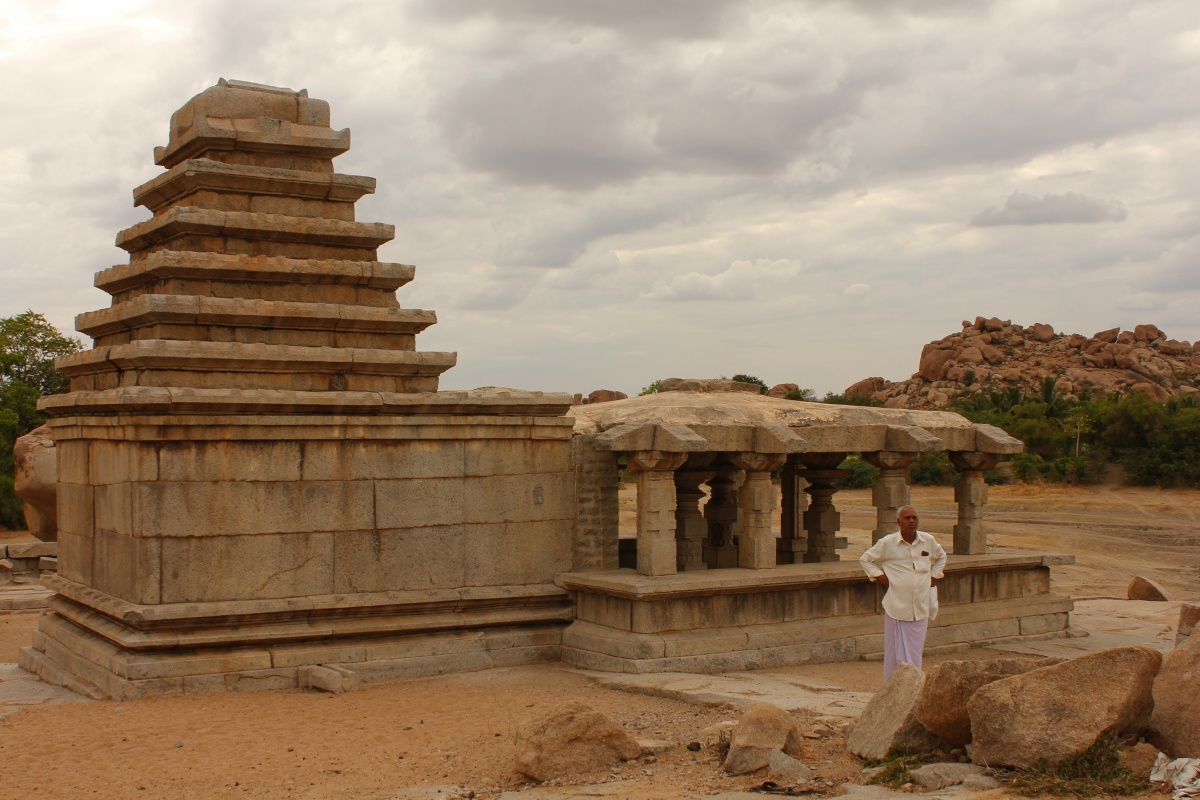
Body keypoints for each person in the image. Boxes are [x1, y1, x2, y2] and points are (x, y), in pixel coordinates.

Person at [859, 505, 946, 679]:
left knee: (915, 650)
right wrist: (879, 576)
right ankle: (893, 687)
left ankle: (913, 684)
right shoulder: (888, 542)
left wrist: (934, 576)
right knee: (894, 652)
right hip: (897, 606)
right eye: (907, 518)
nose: (912, 521)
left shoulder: (927, 540)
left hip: (920, 606)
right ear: (899, 522)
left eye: (914, 518)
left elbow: (941, 557)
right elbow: (865, 559)